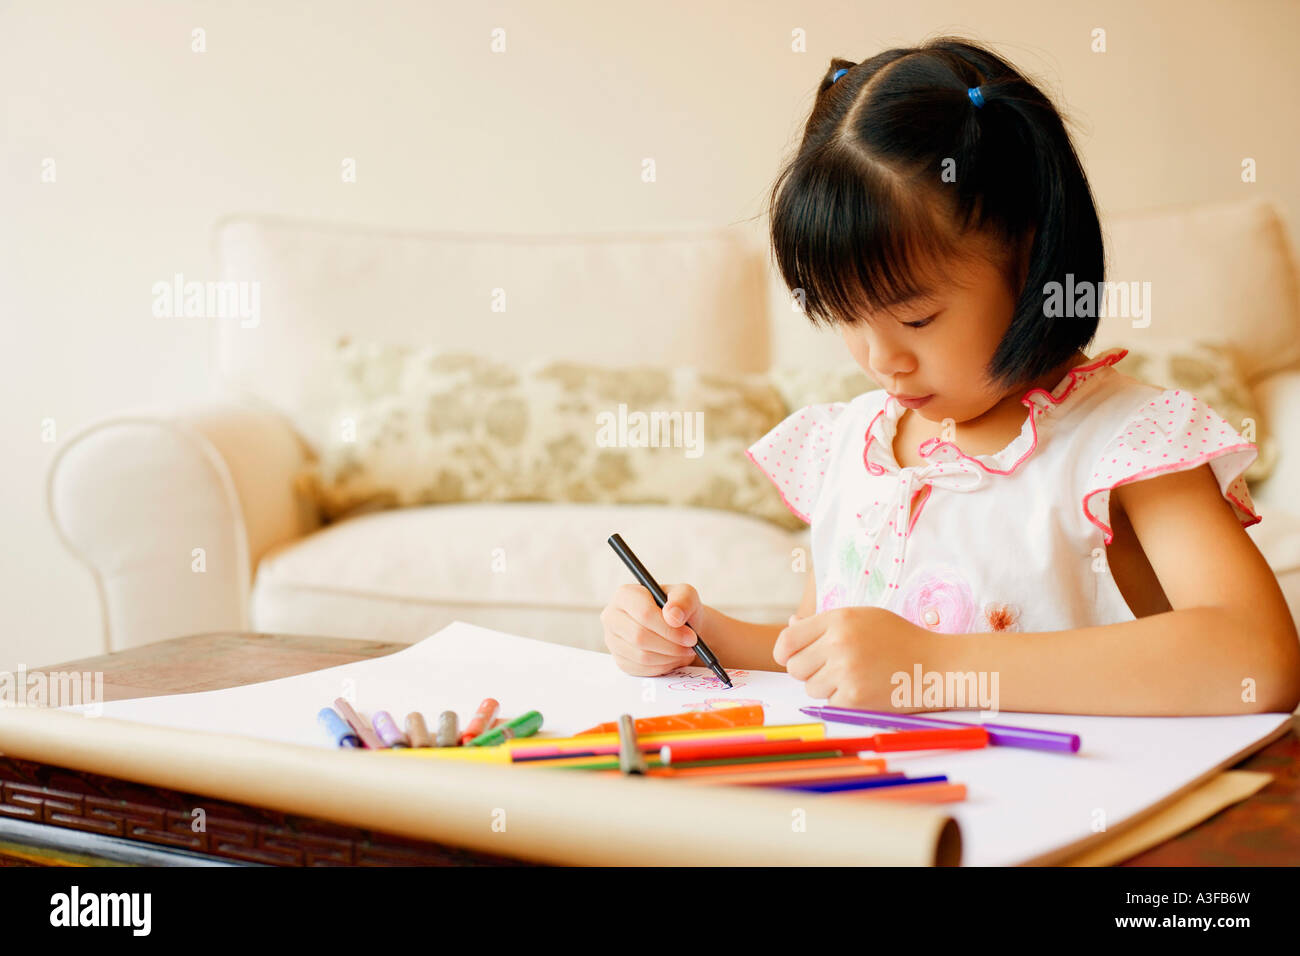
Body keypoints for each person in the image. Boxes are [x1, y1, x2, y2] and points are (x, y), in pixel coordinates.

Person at [599, 37, 1300, 716]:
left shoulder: (1128, 444)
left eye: (917, 319)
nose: (881, 361)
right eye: (845, 316)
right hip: (884, 815)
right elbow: (828, 661)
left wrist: (931, 671)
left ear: (1032, 264)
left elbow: (1257, 659)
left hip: (1061, 818)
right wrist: (697, 641)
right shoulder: (853, 447)